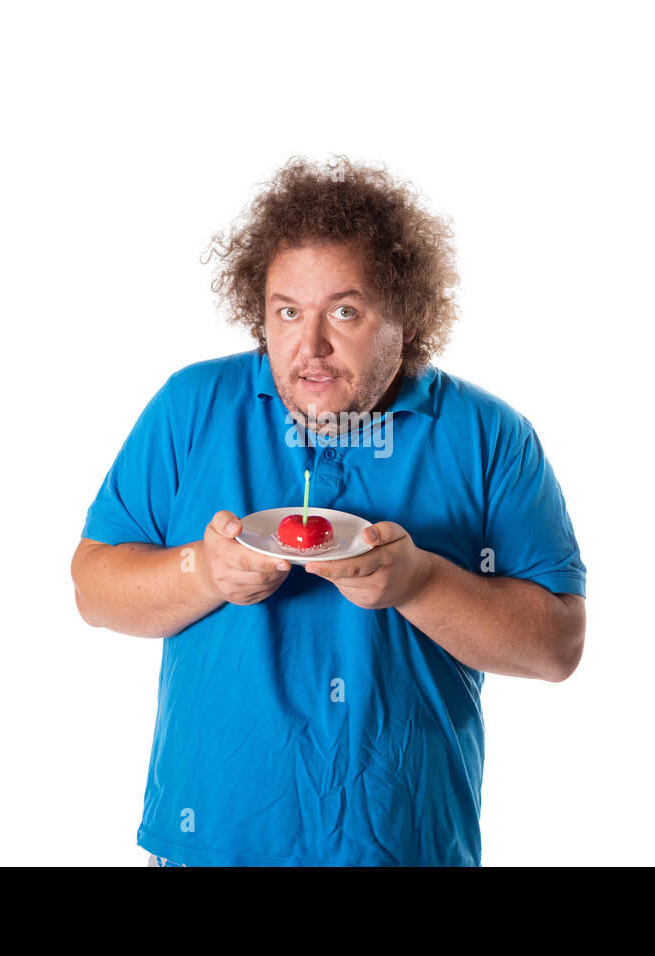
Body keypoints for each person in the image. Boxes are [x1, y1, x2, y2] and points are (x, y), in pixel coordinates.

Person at [71, 155, 587, 866]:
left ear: (403, 316)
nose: (308, 346)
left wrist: (420, 584)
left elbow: (557, 647)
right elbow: (93, 589)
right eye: (287, 312)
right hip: (210, 845)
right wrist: (202, 573)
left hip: (405, 847)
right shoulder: (191, 407)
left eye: (344, 311)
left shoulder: (488, 435)